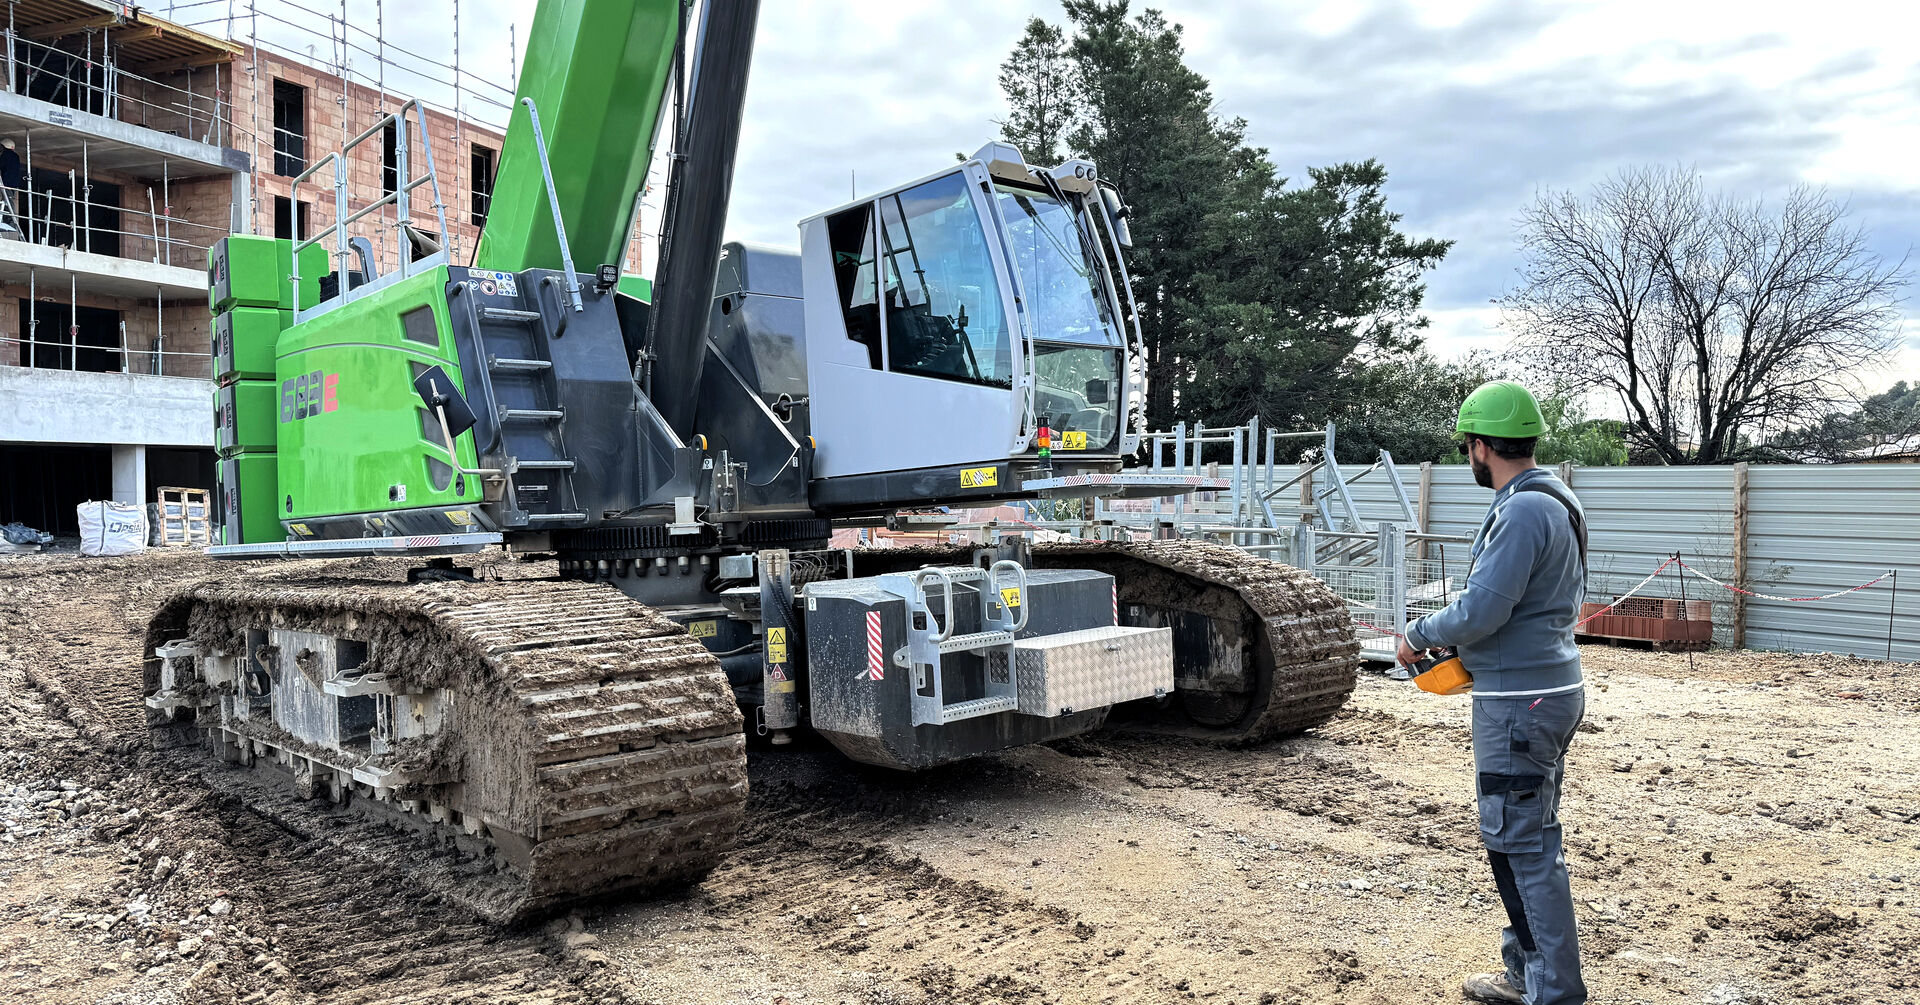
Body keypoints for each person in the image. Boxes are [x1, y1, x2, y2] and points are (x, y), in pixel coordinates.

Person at [1396, 380, 1589, 1005]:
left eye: (1467, 447)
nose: (1468, 458)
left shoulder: (1523, 509)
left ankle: (1551, 991)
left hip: (1520, 703)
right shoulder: (1554, 497)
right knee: (1523, 838)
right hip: (1545, 689)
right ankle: (1529, 975)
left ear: (1480, 446)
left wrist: (1418, 634)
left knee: (1521, 846)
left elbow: (1482, 610)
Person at [0, 138, 23, 235]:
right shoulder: (16, 156)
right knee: (8, 200)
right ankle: (8, 220)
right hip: (13, 184)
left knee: (8, 201)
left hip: (7, 182)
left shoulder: (6, 155)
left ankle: (10, 221)